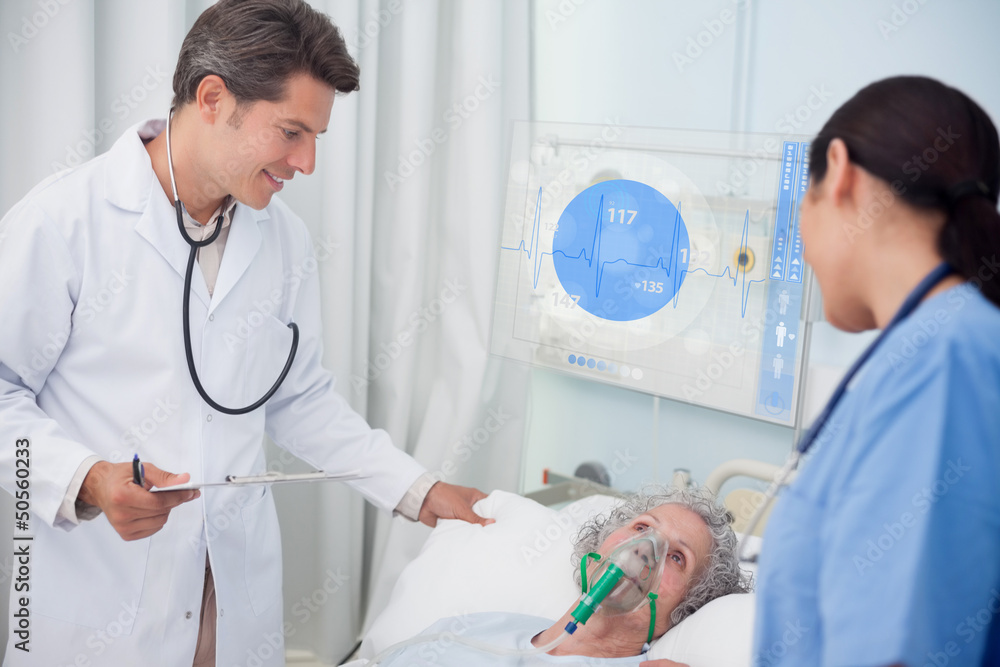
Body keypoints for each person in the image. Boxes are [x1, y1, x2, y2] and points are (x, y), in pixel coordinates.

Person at [0, 1, 490, 665]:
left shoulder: (281, 237)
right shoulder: (64, 221)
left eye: (315, 136)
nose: (308, 162)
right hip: (100, 599)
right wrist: (86, 478)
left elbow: (298, 399)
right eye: (291, 132)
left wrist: (419, 488)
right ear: (211, 98)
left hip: (231, 597)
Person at [754, 76, 1000, 666]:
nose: (804, 248)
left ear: (838, 171)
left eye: (801, 207)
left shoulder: (945, 360)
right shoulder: (933, 350)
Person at [375, 486, 752, 666]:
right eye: (641, 529)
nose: (644, 550)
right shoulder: (472, 627)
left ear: (686, 609)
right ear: (597, 548)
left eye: (675, 557)